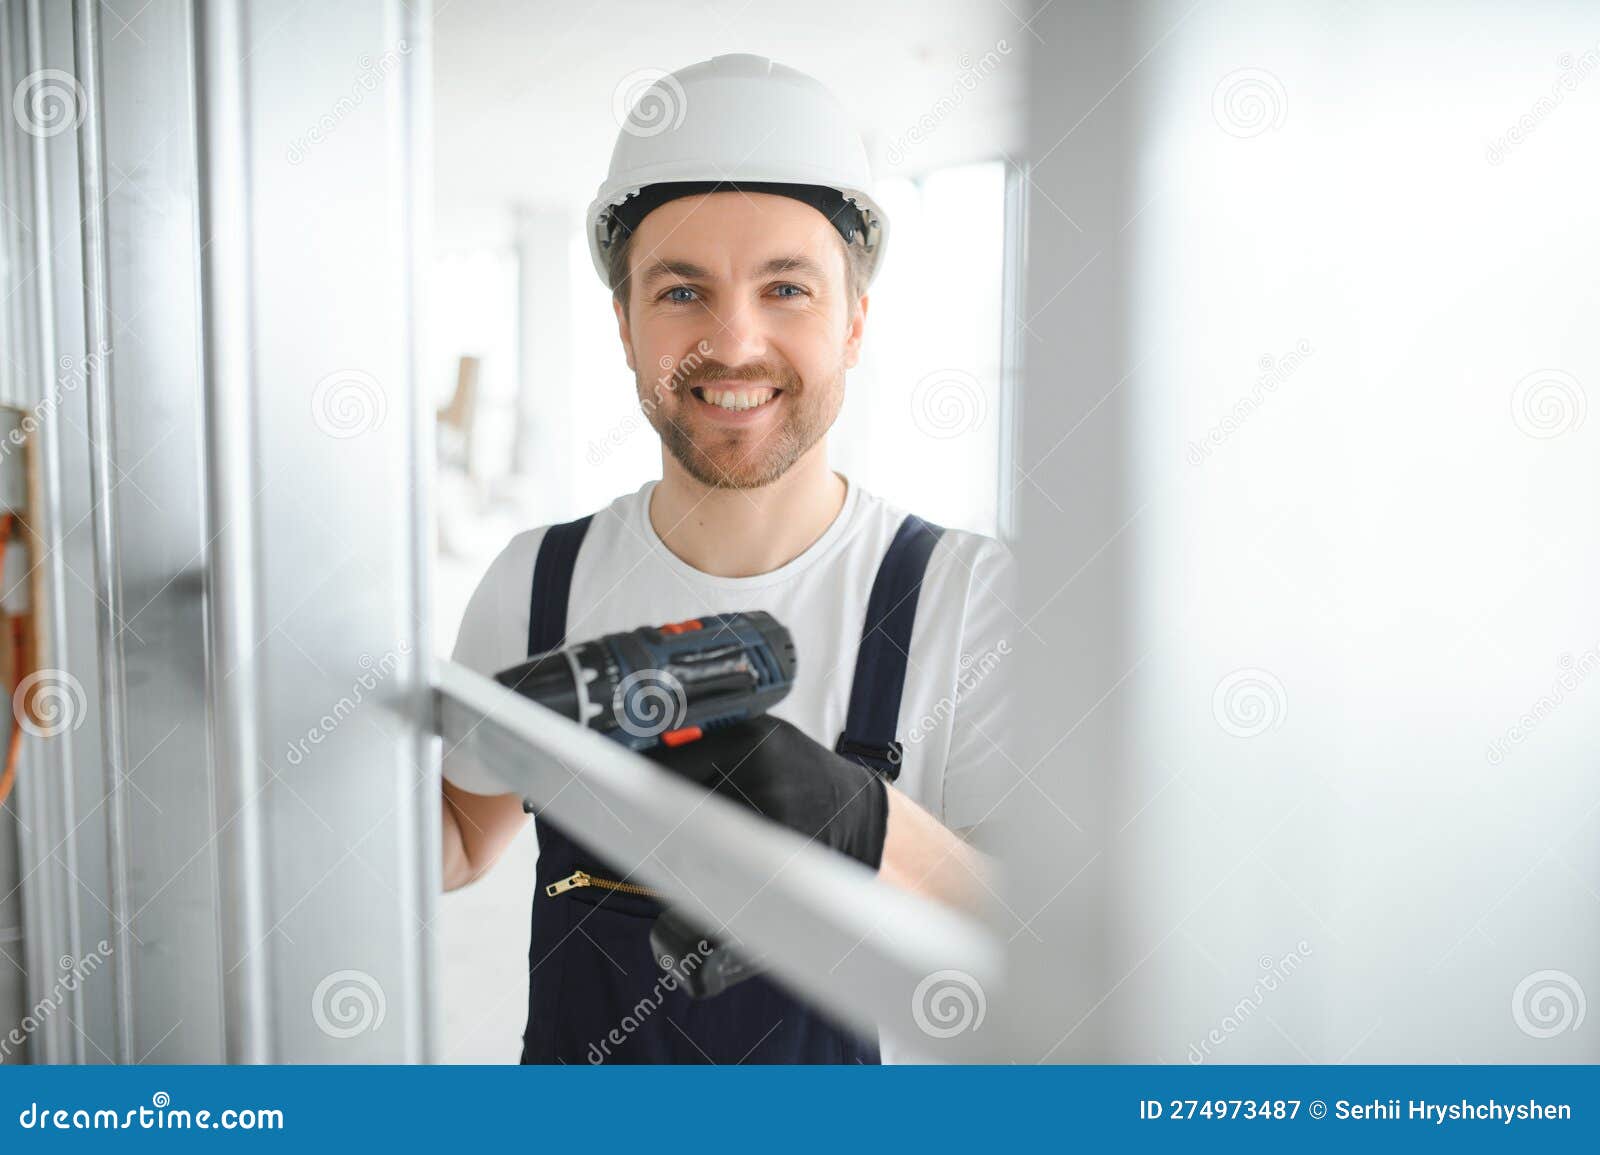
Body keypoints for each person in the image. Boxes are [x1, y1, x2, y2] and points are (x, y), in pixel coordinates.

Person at [440, 53, 1016, 1064]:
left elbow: (1049, 943)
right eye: (681, 292)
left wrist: (865, 824)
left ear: (854, 321)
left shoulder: (969, 599)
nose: (734, 340)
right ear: (624, 325)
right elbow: (458, 837)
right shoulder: (536, 581)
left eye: (786, 288)